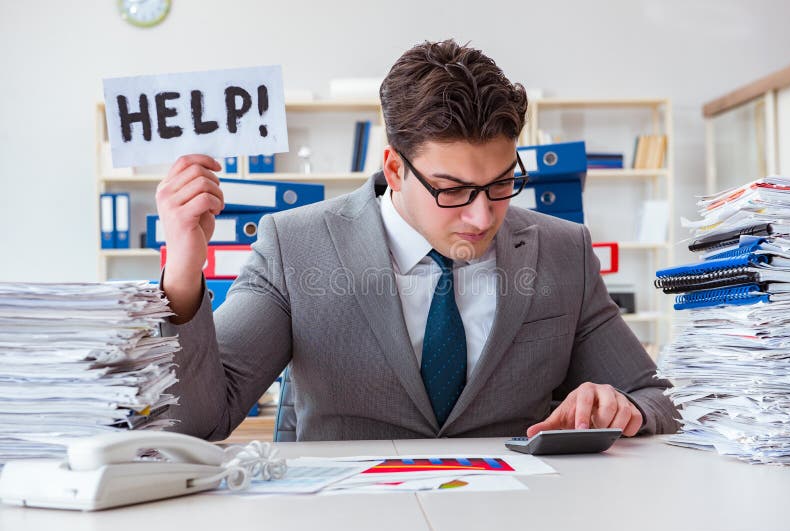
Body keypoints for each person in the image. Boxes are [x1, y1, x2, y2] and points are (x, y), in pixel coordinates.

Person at [157, 39, 680, 442]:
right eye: (451, 190)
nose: (481, 216)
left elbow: (656, 397)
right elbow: (203, 420)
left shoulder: (563, 249)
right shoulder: (295, 245)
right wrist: (182, 270)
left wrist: (623, 407)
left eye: (501, 183)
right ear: (395, 168)